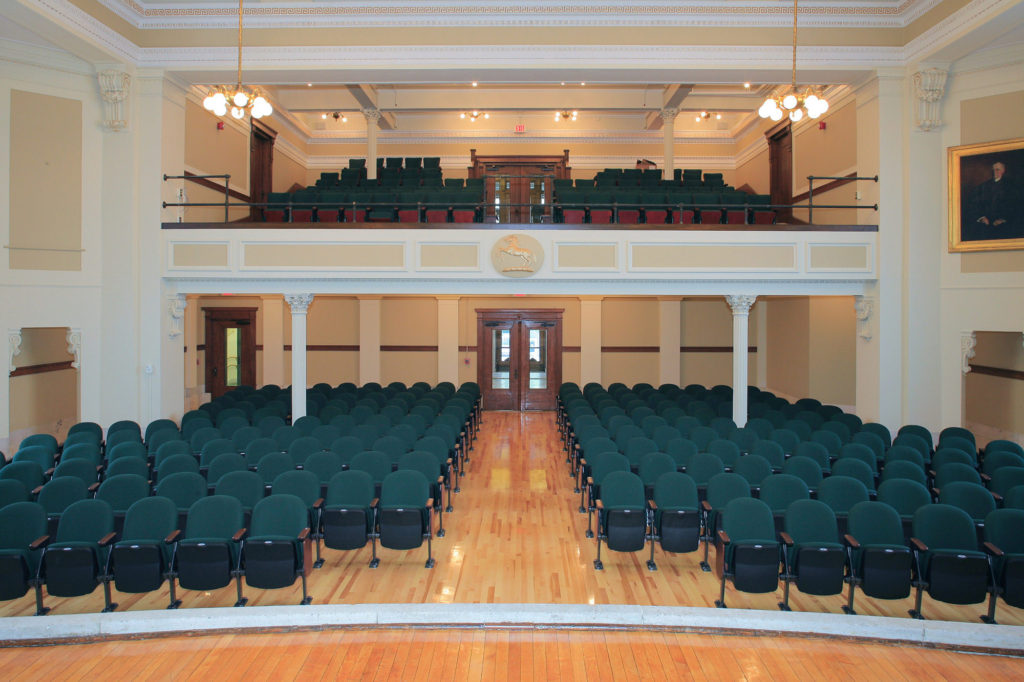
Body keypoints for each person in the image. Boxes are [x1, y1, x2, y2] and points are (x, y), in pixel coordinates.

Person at [965, 160, 1022, 240]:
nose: (995, 172)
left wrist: (1003, 219)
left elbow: (1015, 206)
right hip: (986, 224)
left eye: (997, 169)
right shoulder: (983, 186)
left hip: (1005, 225)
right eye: (993, 170)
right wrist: (981, 217)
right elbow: (975, 204)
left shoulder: (1011, 186)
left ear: (1003, 171)